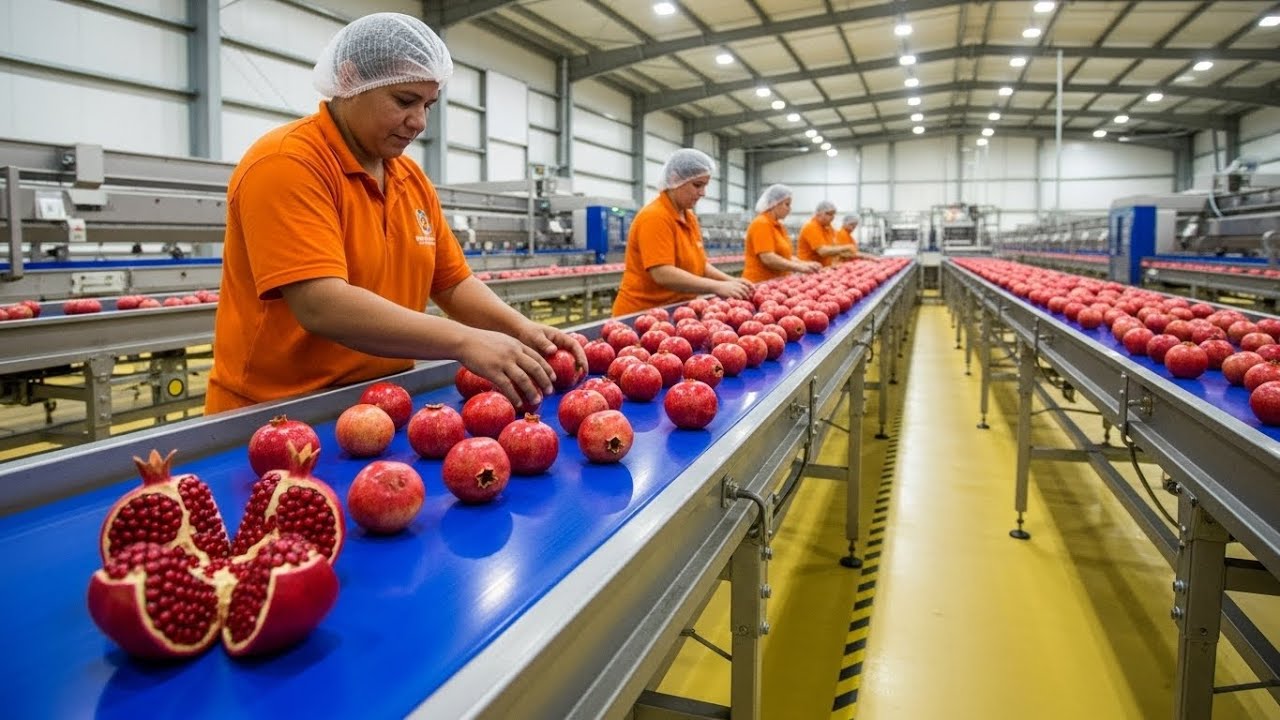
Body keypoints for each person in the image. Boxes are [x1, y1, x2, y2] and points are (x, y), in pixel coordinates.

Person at [206, 13, 585, 414]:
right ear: (351, 80)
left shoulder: (410, 178)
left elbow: (453, 284)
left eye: (428, 104)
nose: (419, 122)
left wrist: (523, 329)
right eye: (405, 101)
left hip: (383, 404)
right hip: (277, 414)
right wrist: (464, 340)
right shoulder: (288, 162)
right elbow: (320, 304)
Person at [612, 149, 753, 316]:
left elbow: (700, 265)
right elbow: (662, 273)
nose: (703, 193)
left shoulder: (689, 217)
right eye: (697, 185)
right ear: (675, 180)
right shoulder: (655, 216)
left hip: (674, 311)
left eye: (705, 185)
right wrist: (716, 286)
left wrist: (731, 281)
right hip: (641, 314)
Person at [742, 183, 822, 283]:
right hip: (760, 282)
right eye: (787, 204)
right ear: (775, 203)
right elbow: (768, 258)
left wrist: (804, 264)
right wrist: (798, 267)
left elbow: (786, 257)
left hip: (776, 282)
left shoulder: (779, 226)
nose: (789, 209)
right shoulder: (761, 223)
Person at [796, 200, 854, 267]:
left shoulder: (828, 228)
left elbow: (833, 247)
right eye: (828, 214)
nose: (831, 217)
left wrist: (844, 255)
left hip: (822, 268)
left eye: (833, 214)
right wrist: (846, 247)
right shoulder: (811, 227)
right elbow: (823, 251)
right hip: (808, 268)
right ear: (818, 213)